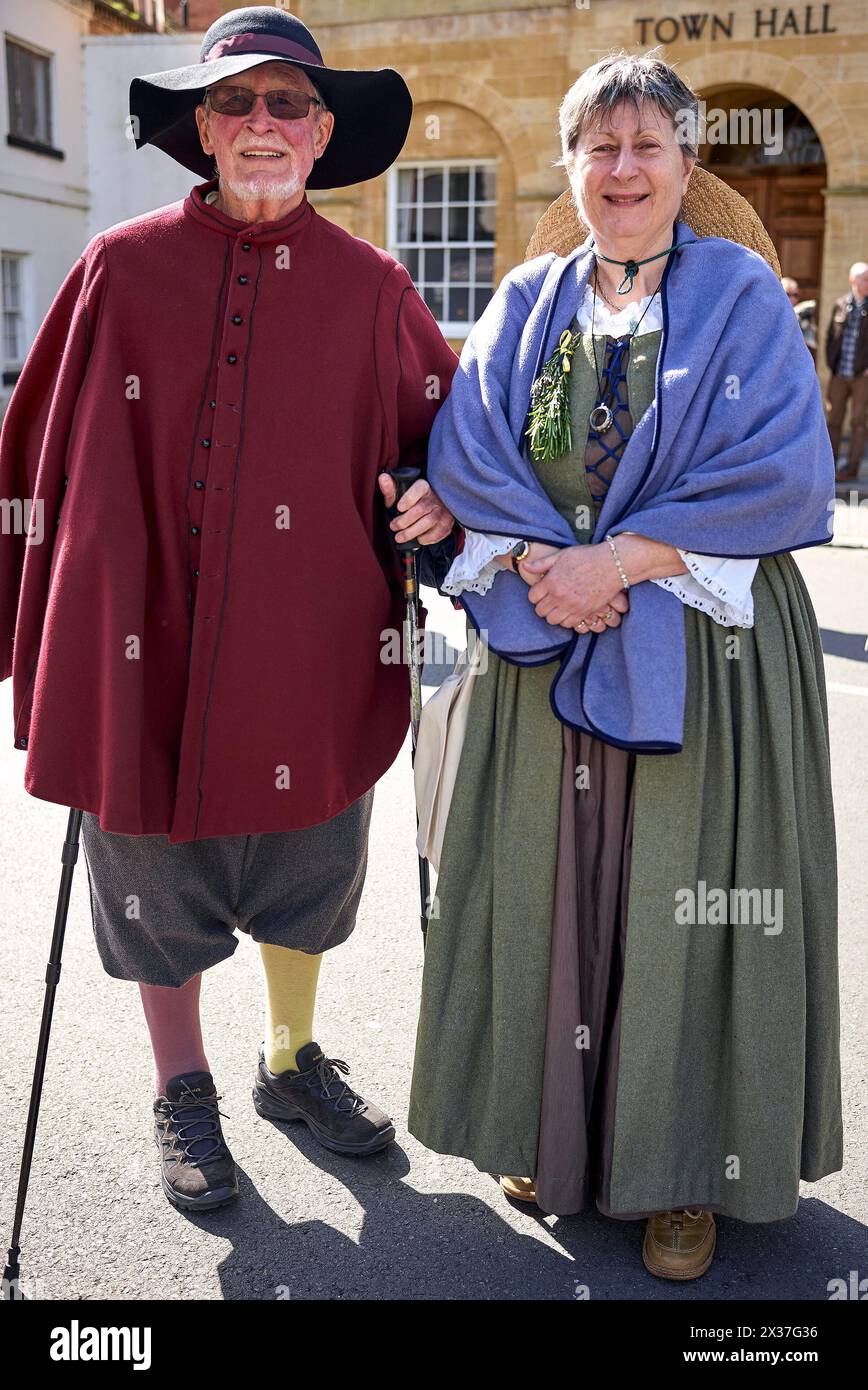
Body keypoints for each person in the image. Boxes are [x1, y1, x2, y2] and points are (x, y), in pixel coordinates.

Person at [0, 6, 458, 1212]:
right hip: (138, 632)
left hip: (308, 639)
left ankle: (291, 1057)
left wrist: (432, 500)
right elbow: (31, 447)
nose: (263, 124)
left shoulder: (371, 285)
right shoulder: (118, 266)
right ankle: (182, 1083)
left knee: (309, 856)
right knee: (153, 876)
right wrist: (35, 622)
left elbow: (443, 439)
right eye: (238, 104)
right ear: (203, 129)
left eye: (287, 105)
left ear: (320, 136)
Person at [408, 52, 843, 1281]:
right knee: (552, 891)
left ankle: (681, 1172)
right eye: (599, 147)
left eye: (648, 144)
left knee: (682, 904)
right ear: (571, 166)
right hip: (550, 639)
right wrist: (552, 567)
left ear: (686, 165)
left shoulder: (746, 300)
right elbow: (471, 448)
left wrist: (625, 562)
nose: (623, 168)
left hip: (709, 654)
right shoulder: (529, 300)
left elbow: (781, 478)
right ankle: (554, 1131)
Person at [824, 261, 868, 481]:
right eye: (865, 278)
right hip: (839, 374)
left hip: (862, 377)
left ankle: (851, 468)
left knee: (859, 423)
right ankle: (829, 467)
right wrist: (831, 364)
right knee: (833, 420)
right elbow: (831, 337)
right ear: (853, 280)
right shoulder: (840, 304)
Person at [781, 275, 817, 361]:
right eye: (788, 294)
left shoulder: (803, 315)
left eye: (795, 295)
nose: (792, 299)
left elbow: (810, 344)